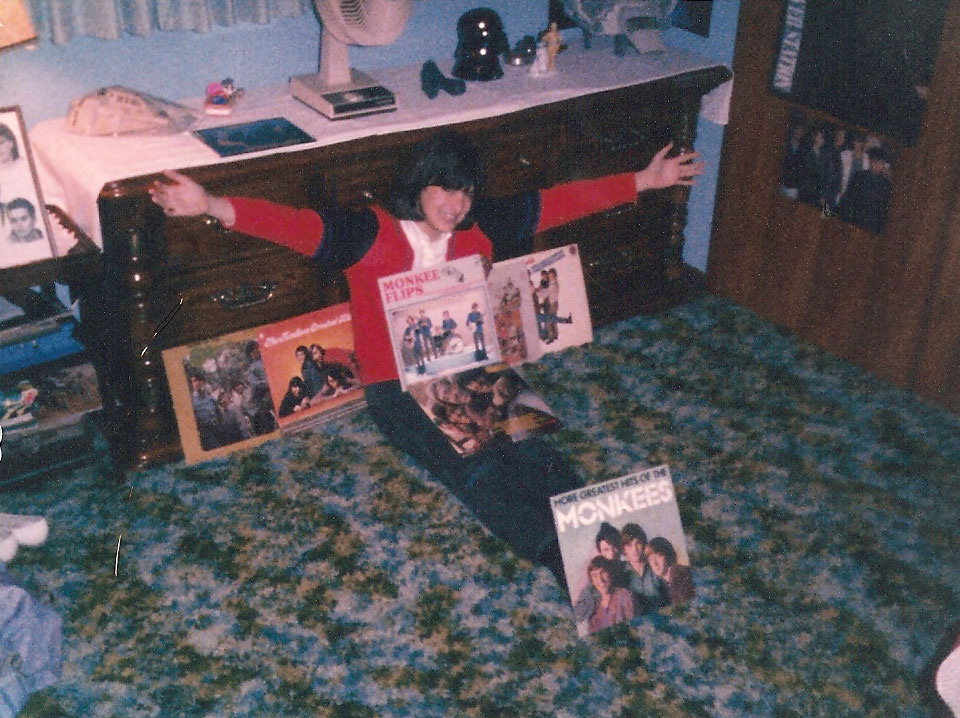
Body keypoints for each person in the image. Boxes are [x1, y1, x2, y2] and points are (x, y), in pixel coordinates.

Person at [148, 128, 704, 585]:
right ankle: (562, 559)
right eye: (446, 190)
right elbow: (295, 226)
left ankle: (607, 535)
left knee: (532, 448)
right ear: (420, 184)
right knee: (478, 468)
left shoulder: (478, 225)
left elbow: (555, 203)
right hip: (398, 388)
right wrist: (211, 205)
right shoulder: (371, 232)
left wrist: (645, 180)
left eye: (467, 194)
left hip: (473, 367)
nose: (456, 207)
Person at [620, 523, 669, 612]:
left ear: (644, 544)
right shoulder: (621, 574)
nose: (635, 549)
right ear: (623, 549)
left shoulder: (656, 566)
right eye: (629, 545)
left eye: (638, 543)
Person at [583, 555, 635, 633]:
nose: (600, 580)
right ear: (592, 581)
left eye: (603, 572)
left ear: (610, 574)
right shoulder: (593, 608)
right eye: (594, 576)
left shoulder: (625, 596)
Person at [646, 536, 695, 605]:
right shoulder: (668, 581)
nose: (655, 563)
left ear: (668, 555)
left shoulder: (679, 575)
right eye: (651, 559)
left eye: (658, 556)